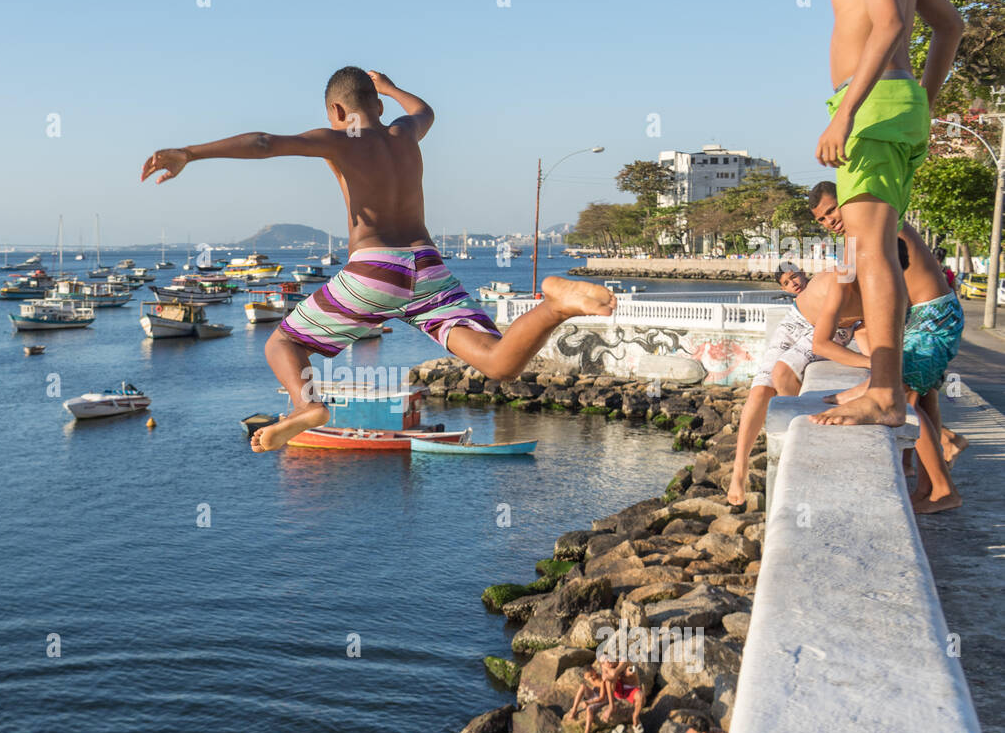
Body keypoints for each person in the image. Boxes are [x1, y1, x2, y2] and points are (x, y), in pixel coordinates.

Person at [141, 68, 616, 451]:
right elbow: (425, 109)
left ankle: (306, 407)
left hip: (375, 268)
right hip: (427, 265)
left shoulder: (340, 138)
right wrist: (391, 86)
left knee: (281, 346)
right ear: (381, 105)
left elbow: (265, 143)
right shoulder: (404, 132)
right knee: (497, 363)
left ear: (337, 110)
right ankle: (556, 304)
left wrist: (189, 152)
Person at [810, 0, 963, 428]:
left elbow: (892, 22)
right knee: (873, 247)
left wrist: (847, 111)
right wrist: (922, 101)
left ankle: (884, 393)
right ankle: (886, 387)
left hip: (870, 106)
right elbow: (951, 27)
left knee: (869, 251)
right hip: (895, 106)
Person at [811, 182, 964, 512]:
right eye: (821, 220)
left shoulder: (874, 221)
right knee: (925, 398)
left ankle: (942, 490)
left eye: (832, 210)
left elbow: (859, 284)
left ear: (847, 200)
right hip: (927, 316)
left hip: (931, 316)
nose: (829, 222)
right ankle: (928, 487)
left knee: (903, 399)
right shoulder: (868, 226)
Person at [727, 262, 867, 505]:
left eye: (795, 277)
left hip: (832, 328)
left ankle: (797, 441)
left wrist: (873, 363)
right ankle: (740, 468)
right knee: (761, 389)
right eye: (787, 283)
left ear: (804, 275)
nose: (793, 283)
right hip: (794, 322)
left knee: (783, 375)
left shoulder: (830, 283)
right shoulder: (807, 297)